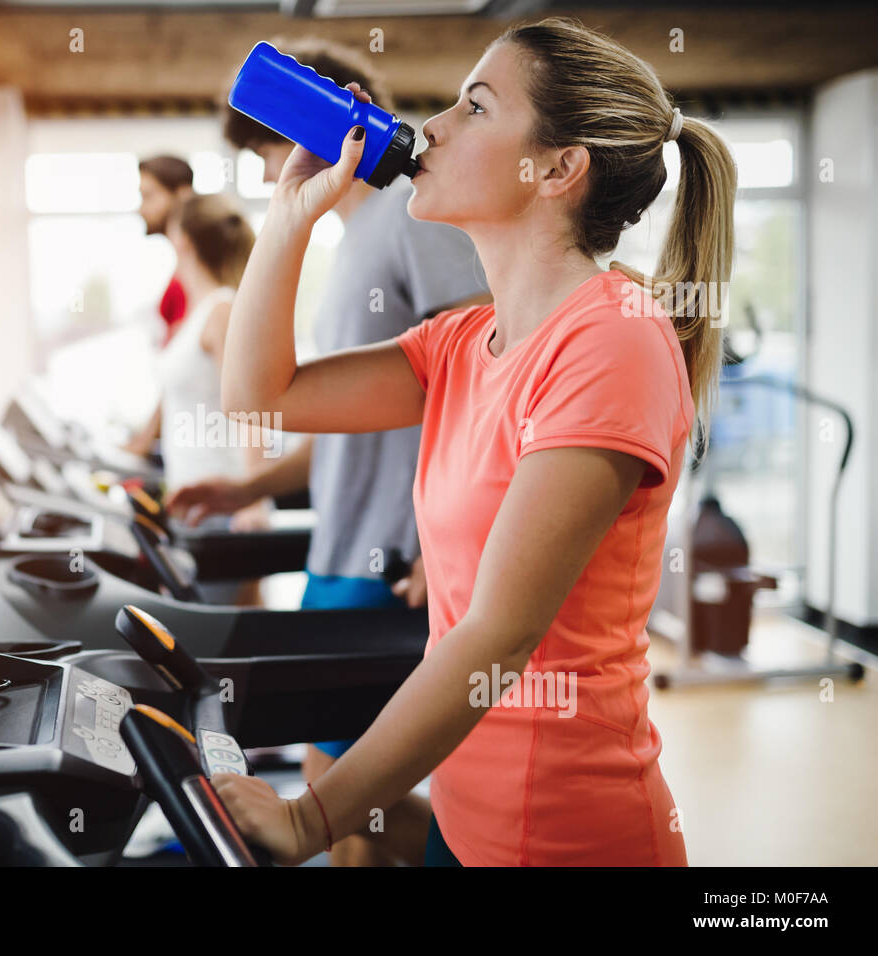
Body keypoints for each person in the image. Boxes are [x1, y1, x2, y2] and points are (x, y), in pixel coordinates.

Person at [210, 16, 735, 866]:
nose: (434, 127)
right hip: (466, 821)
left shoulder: (613, 340)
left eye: (475, 107)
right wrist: (289, 215)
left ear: (560, 168)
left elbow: (498, 633)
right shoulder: (462, 341)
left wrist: (313, 818)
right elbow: (259, 397)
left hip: (569, 836)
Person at [167, 37, 490, 865]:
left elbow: (489, 379)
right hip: (343, 542)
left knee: (341, 805)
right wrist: (251, 490)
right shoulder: (356, 240)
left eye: (279, 136)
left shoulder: (412, 217)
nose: (280, 159)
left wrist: (453, 547)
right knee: (340, 795)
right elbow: (371, 413)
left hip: (390, 557)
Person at [126, 193, 269, 537]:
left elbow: (252, 410)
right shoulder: (199, 310)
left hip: (220, 500)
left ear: (182, 239)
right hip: (190, 494)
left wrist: (254, 498)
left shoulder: (221, 310)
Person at [137, 155, 196, 347]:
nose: (141, 209)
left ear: (182, 194)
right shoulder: (182, 267)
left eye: (148, 197)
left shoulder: (200, 267)